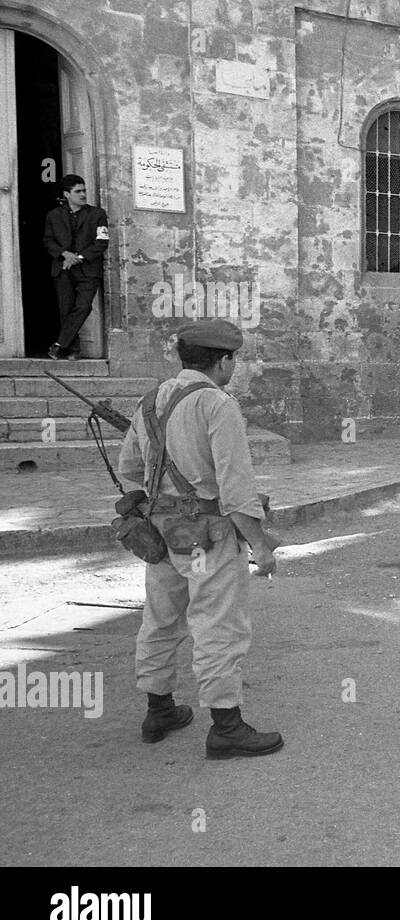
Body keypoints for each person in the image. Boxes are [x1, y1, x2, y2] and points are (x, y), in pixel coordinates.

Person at [117, 320, 282, 759]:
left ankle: (159, 710)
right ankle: (226, 727)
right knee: (218, 626)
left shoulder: (150, 401)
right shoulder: (217, 403)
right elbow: (236, 490)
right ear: (224, 360)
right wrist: (261, 545)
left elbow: (130, 469)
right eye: (234, 359)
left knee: (161, 620)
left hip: (161, 532)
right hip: (208, 535)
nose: (234, 366)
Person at [42, 174, 109, 360]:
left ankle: (59, 344)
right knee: (66, 309)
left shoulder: (98, 214)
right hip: (62, 268)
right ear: (67, 194)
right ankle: (72, 349)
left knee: (83, 306)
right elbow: (48, 240)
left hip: (88, 270)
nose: (83, 194)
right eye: (78, 191)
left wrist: (78, 257)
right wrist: (65, 254)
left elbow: (102, 242)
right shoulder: (54, 215)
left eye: (84, 190)